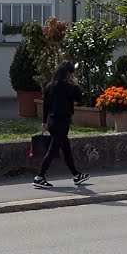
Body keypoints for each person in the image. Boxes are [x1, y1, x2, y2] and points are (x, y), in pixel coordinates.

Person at [33, 61, 89, 189]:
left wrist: (44, 122)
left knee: (66, 148)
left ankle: (76, 174)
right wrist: (76, 85)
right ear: (68, 74)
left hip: (52, 120)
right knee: (53, 150)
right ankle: (39, 176)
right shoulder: (67, 87)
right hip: (62, 121)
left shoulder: (49, 86)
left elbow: (45, 105)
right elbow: (80, 98)